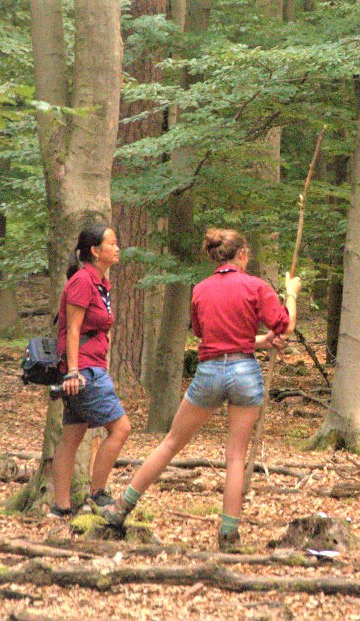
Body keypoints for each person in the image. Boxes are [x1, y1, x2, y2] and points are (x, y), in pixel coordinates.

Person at [103, 228, 301, 551]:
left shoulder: (200, 290)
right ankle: (228, 535)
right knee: (235, 457)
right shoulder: (256, 286)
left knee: (170, 443)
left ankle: (122, 506)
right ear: (241, 255)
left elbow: (209, 338)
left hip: (209, 372)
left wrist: (262, 342)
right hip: (245, 373)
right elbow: (286, 324)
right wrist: (291, 293)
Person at [49, 223, 132, 519]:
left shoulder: (100, 282)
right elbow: (72, 329)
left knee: (71, 436)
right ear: (95, 251)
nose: (118, 247)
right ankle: (98, 494)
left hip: (91, 365)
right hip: (84, 371)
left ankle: (61, 508)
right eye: (112, 243)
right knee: (121, 428)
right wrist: (72, 372)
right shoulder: (82, 281)